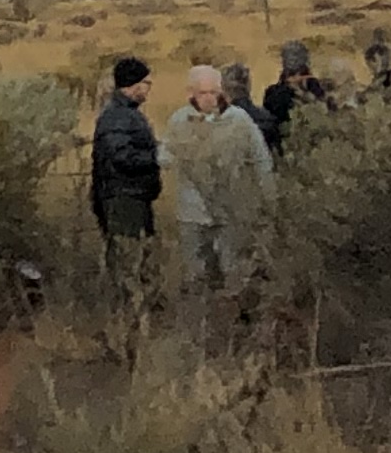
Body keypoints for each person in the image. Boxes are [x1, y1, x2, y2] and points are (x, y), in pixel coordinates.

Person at [166, 65, 273, 288]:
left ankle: (231, 306)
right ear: (191, 93)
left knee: (232, 270)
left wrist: (268, 195)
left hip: (230, 210)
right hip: (193, 211)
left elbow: (260, 157)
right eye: (202, 92)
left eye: (213, 92)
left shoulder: (239, 120)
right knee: (195, 273)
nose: (208, 98)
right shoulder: (179, 120)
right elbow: (166, 154)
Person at [89, 57, 162, 288]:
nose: (149, 88)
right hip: (124, 199)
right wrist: (157, 157)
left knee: (137, 259)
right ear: (134, 85)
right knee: (128, 262)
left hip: (133, 197)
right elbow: (122, 157)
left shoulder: (125, 114)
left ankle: (139, 303)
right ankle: (128, 305)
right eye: (146, 83)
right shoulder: (118, 117)